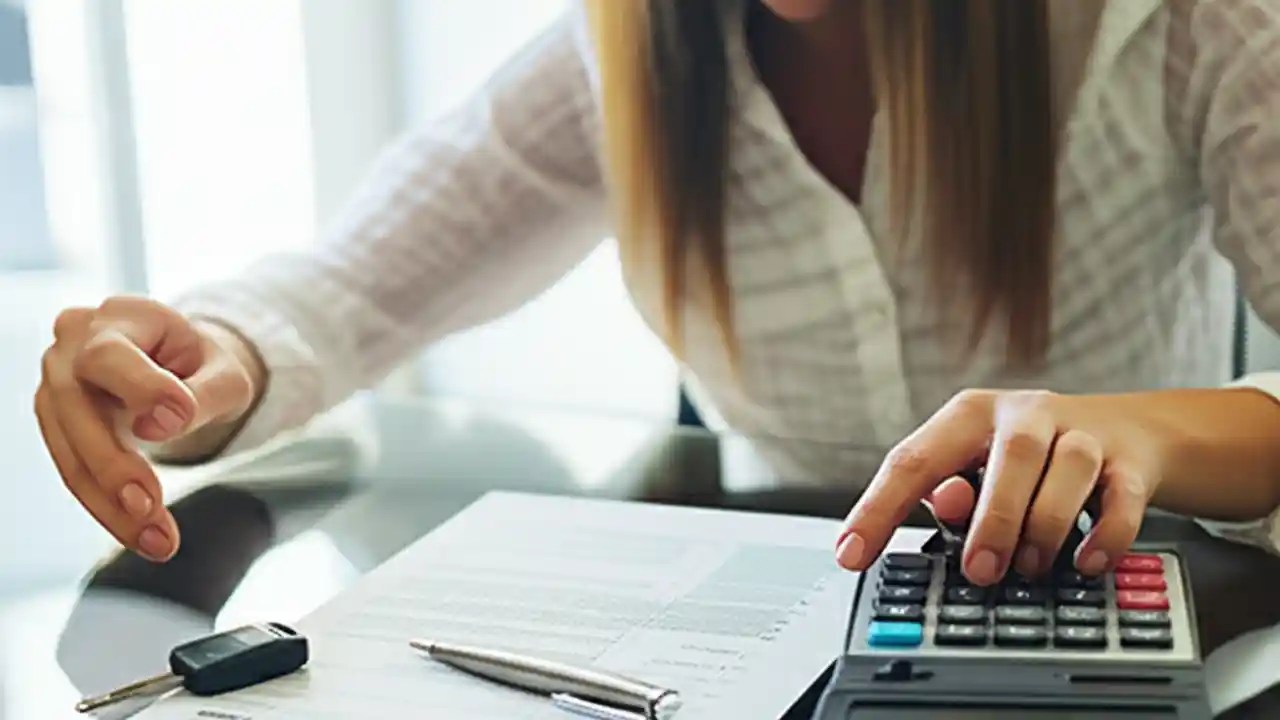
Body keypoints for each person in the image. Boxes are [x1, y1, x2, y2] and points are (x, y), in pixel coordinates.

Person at [35, 0, 1280, 586]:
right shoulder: (613, 54)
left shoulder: (1184, 26)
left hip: (1121, 611)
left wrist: (1148, 430)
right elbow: (343, 291)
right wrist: (202, 364)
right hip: (767, 628)